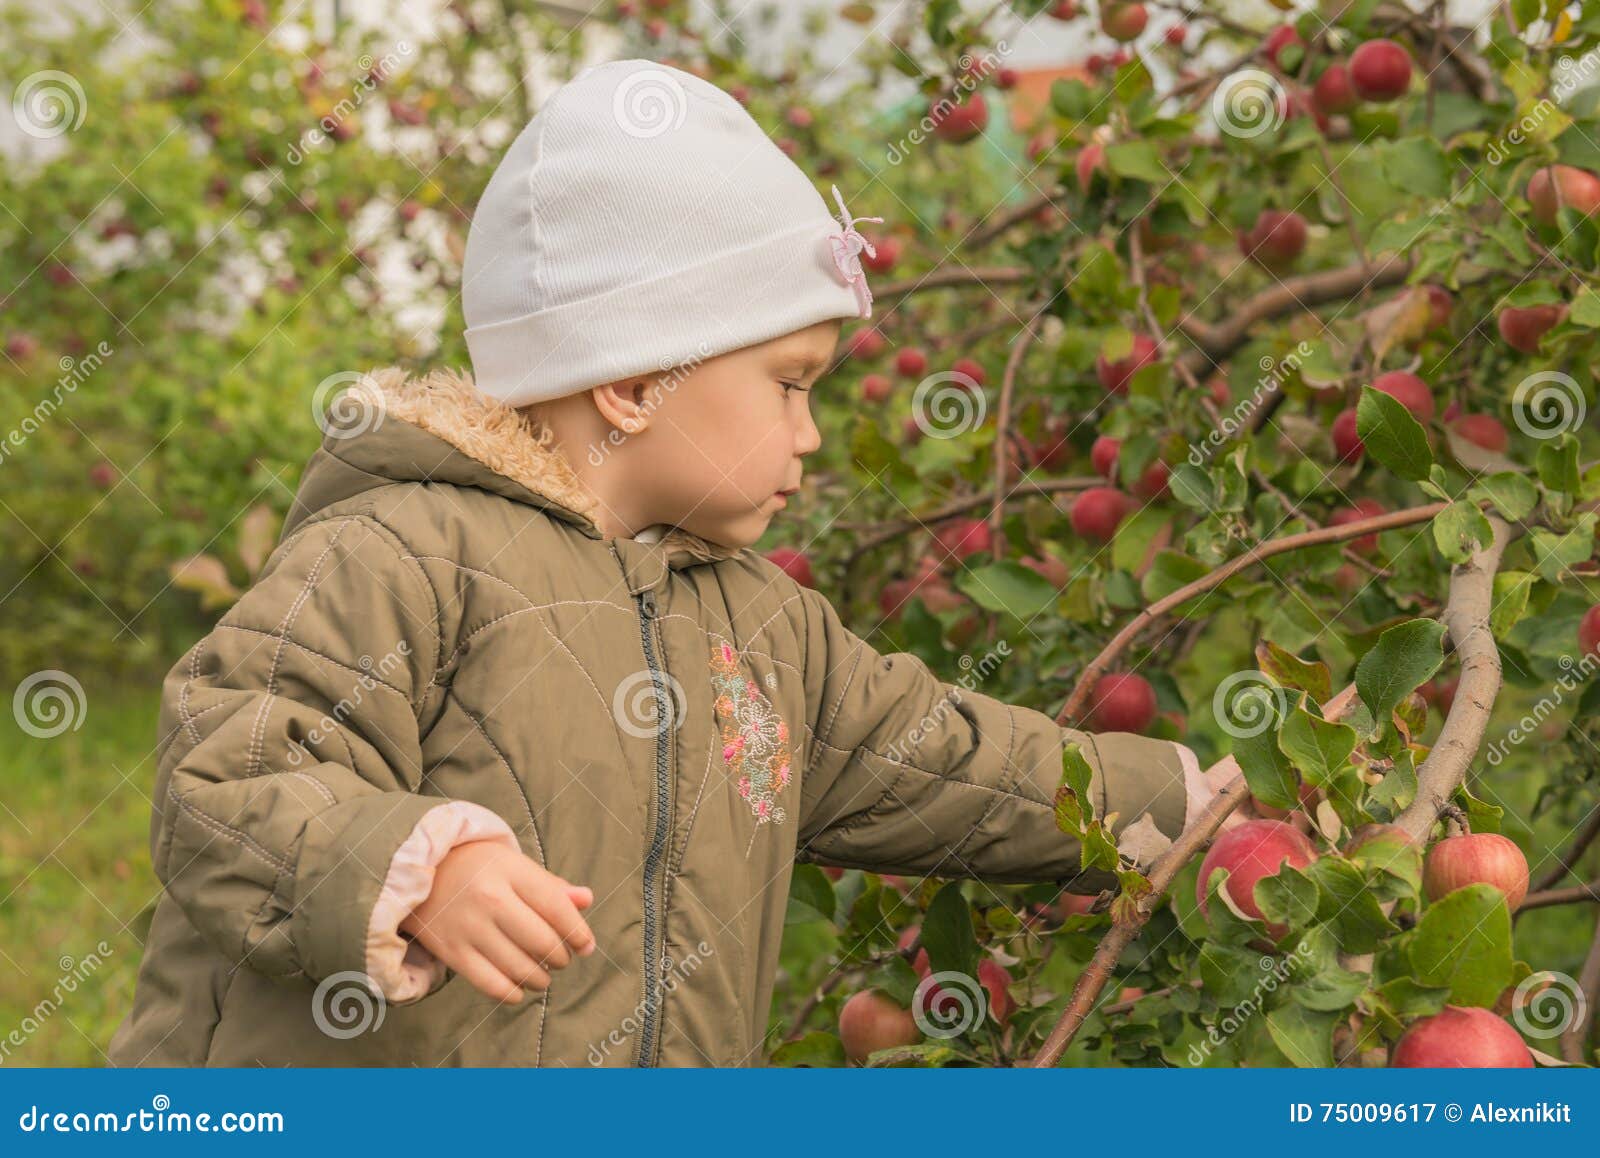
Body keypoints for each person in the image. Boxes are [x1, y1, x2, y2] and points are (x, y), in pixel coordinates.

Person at [108, 59, 1234, 1068]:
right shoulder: (399, 551)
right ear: (635, 383)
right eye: (788, 384)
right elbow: (228, 780)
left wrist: (1193, 804)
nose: (808, 433)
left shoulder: (761, 622)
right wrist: (414, 867)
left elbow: (948, 763)